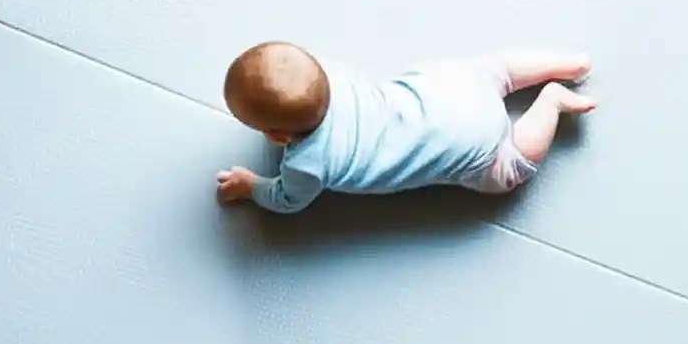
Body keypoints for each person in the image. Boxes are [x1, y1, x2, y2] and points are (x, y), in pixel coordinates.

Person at [215, 42, 594, 213]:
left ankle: (551, 102)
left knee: (510, 170)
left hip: (475, 146)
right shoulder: (332, 74)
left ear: (277, 136)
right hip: (451, 87)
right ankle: (570, 64)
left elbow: (286, 200)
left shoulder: (305, 166)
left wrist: (252, 186)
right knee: (498, 70)